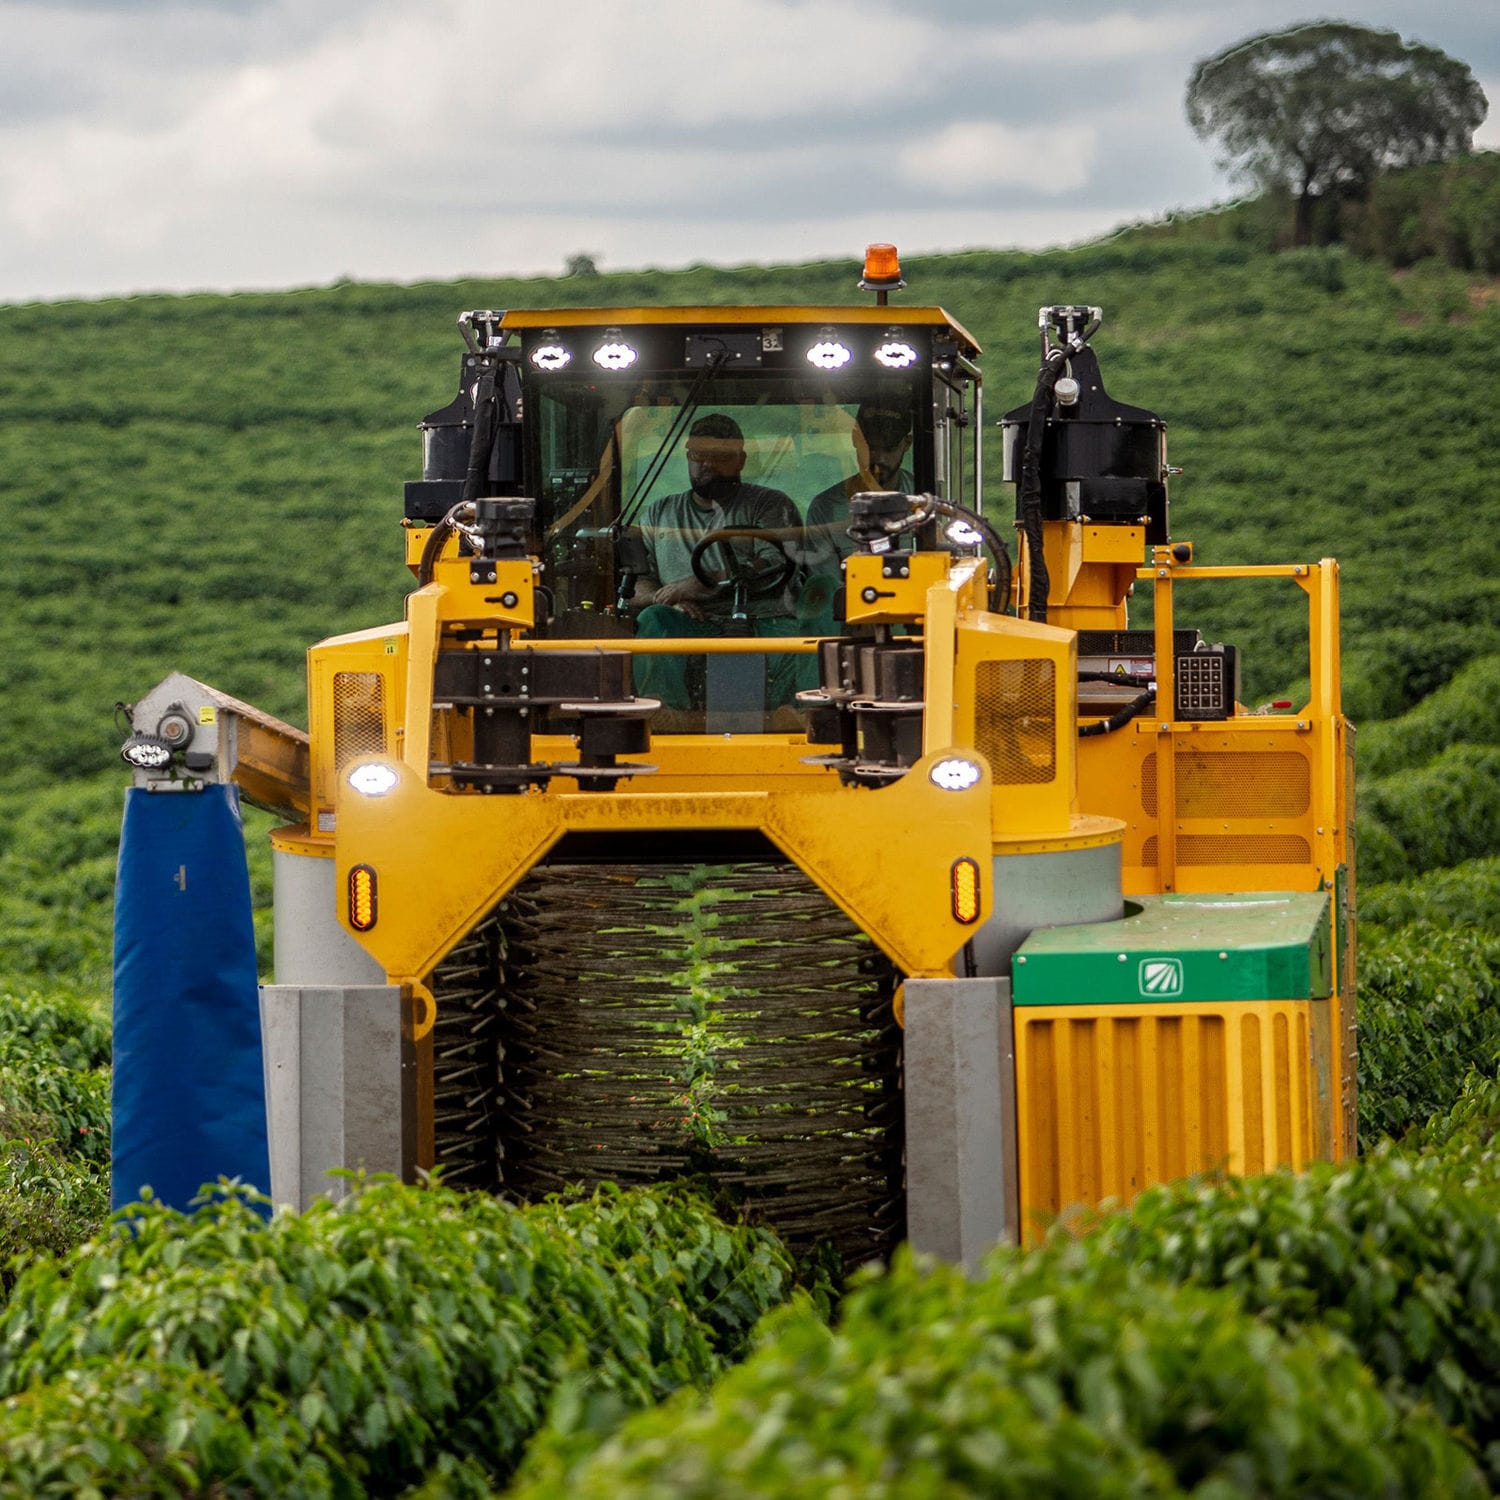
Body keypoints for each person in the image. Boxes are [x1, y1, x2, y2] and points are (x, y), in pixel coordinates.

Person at [632, 413, 804, 712]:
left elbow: (775, 564)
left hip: (763, 619)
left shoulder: (769, 504)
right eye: (700, 454)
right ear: (688, 456)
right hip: (691, 622)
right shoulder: (659, 513)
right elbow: (638, 581)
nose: (708, 463)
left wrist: (700, 583)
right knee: (654, 620)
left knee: (805, 639)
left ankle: (798, 717)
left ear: (741, 460)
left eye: (721, 455)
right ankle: (663, 717)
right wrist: (666, 601)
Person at [802, 401, 915, 580]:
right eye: (870, 446)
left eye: (889, 447)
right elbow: (829, 590)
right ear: (855, 438)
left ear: (907, 443)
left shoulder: (927, 502)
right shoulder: (825, 509)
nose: (879, 458)